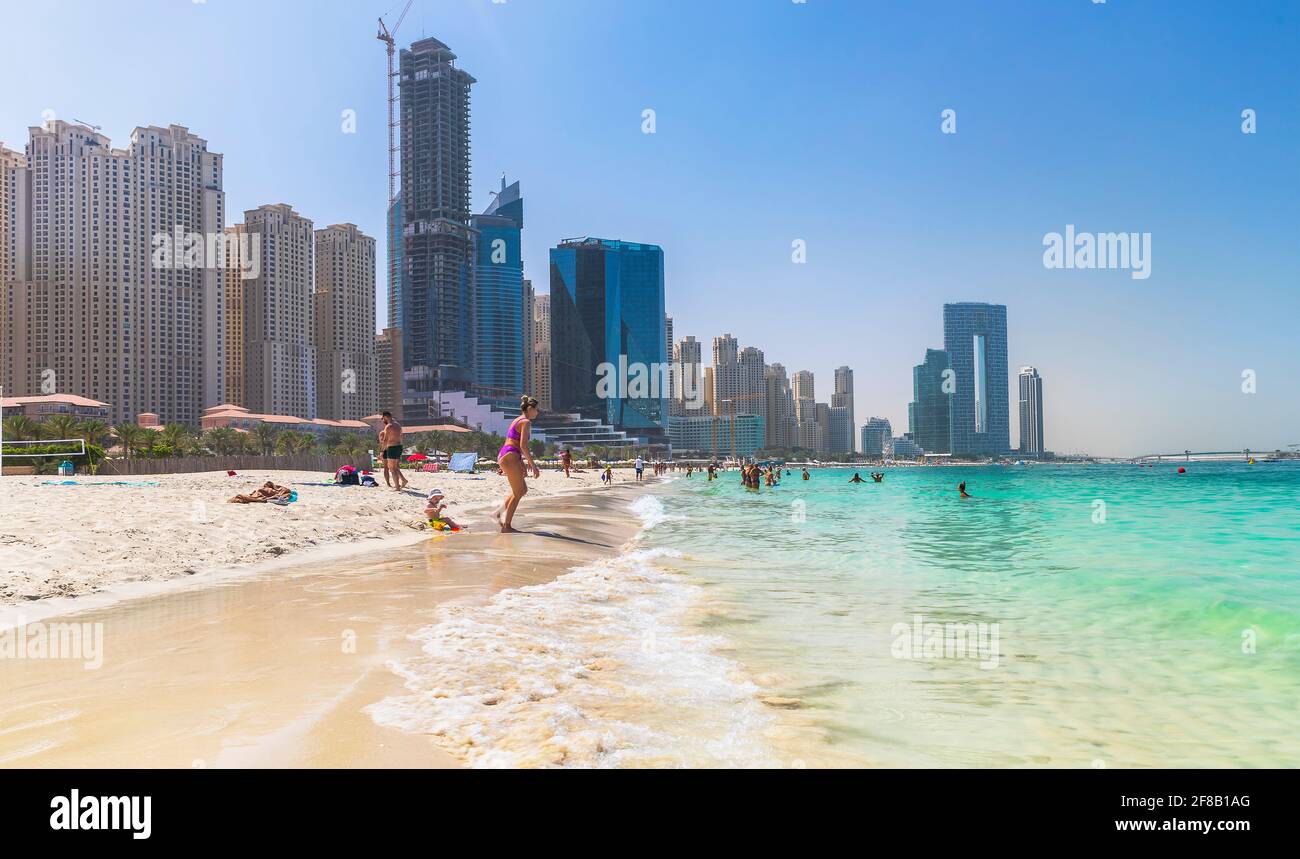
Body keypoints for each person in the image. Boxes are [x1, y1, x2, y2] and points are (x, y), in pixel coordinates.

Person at [493, 396, 542, 533]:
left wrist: (521, 464)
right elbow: (523, 446)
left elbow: (516, 445)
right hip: (510, 456)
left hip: (509, 455)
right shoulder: (525, 421)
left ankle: (497, 514)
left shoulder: (517, 420)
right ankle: (506, 526)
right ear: (530, 409)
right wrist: (533, 465)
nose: (537, 413)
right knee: (518, 492)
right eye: (536, 410)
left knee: (522, 490)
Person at [378, 411, 408, 491]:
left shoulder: (388, 426)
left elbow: (385, 440)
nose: (383, 420)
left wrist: (382, 451)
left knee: (392, 468)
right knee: (395, 467)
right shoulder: (398, 425)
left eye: (383, 418)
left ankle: (397, 487)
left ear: (385, 417)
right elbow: (401, 436)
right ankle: (403, 480)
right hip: (399, 447)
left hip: (392, 447)